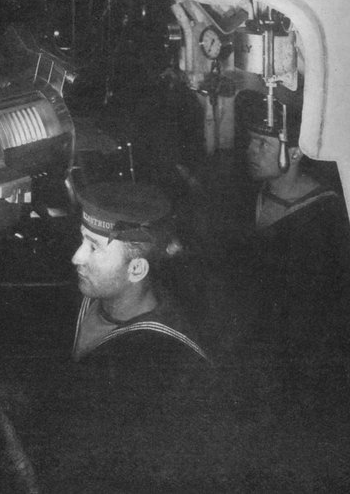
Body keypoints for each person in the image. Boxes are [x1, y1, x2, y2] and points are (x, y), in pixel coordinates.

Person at [29, 181, 230, 493]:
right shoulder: (81, 301)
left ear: (136, 269)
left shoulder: (170, 364)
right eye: (83, 241)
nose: (76, 257)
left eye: (94, 247)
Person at [225, 87, 350, 492]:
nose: (251, 150)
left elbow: (331, 319)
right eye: (251, 140)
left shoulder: (327, 216)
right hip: (257, 370)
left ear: (297, 152)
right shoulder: (248, 198)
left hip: (305, 381)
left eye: (263, 144)